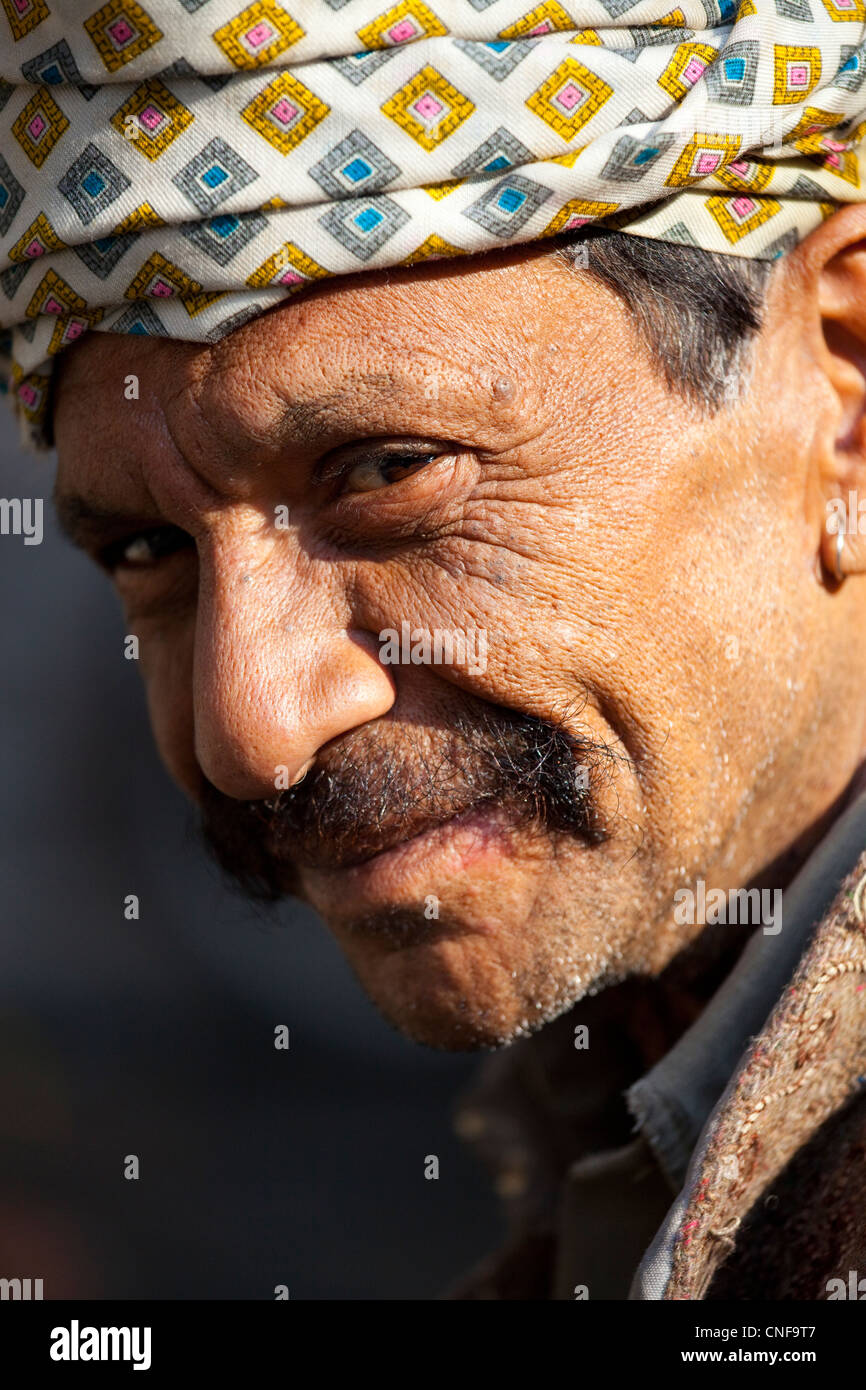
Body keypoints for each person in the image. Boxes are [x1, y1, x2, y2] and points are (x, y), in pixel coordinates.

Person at [3, 0, 866, 1299]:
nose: (255, 727)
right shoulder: (617, 1102)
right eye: (147, 555)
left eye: (388, 470)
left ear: (841, 390)